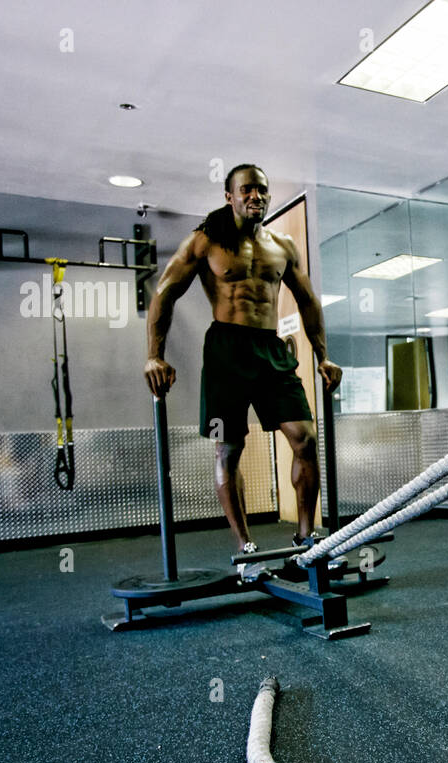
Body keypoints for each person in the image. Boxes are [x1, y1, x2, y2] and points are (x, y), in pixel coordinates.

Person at [143, 164, 342, 576]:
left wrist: (321, 355)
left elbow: (308, 302)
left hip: (271, 350)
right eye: (247, 190)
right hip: (225, 353)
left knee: (304, 439)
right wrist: (154, 355)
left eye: (263, 190)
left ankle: (307, 540)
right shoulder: (205, 243)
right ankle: (246, 547)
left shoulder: (283, 246)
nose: (257, 197)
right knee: (228, 448)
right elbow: (164, 293)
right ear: (229, 196)